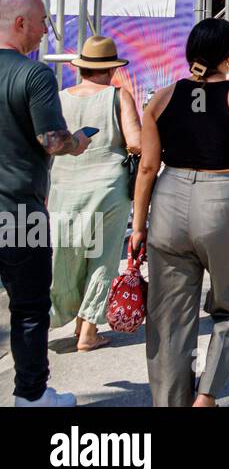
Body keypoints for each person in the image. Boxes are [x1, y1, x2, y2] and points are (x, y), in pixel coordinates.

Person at [131, 18, 229, 407]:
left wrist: (139, 225)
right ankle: (206, 394)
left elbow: (146, 167)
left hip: (168, 200)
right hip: (223, 199)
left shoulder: (160, 98)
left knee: (169, 318)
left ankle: (169, 402)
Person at [0, 0, 90, 406]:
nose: (44, 32)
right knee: (30, 307)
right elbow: (51, 141)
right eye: (41, 23)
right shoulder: (34, 76)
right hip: (22, 211)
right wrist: (77, 143)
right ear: (20, 23)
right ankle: (31, 397)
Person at [48, 35, 141, 352]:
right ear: (112, 68)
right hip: (108, 189)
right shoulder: (118, 96)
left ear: (82, 67)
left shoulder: (60, 98)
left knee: (67, 255)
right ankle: (88, 329)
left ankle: (69, 317)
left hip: (64, 188)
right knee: (102, 257)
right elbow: (135, 142)